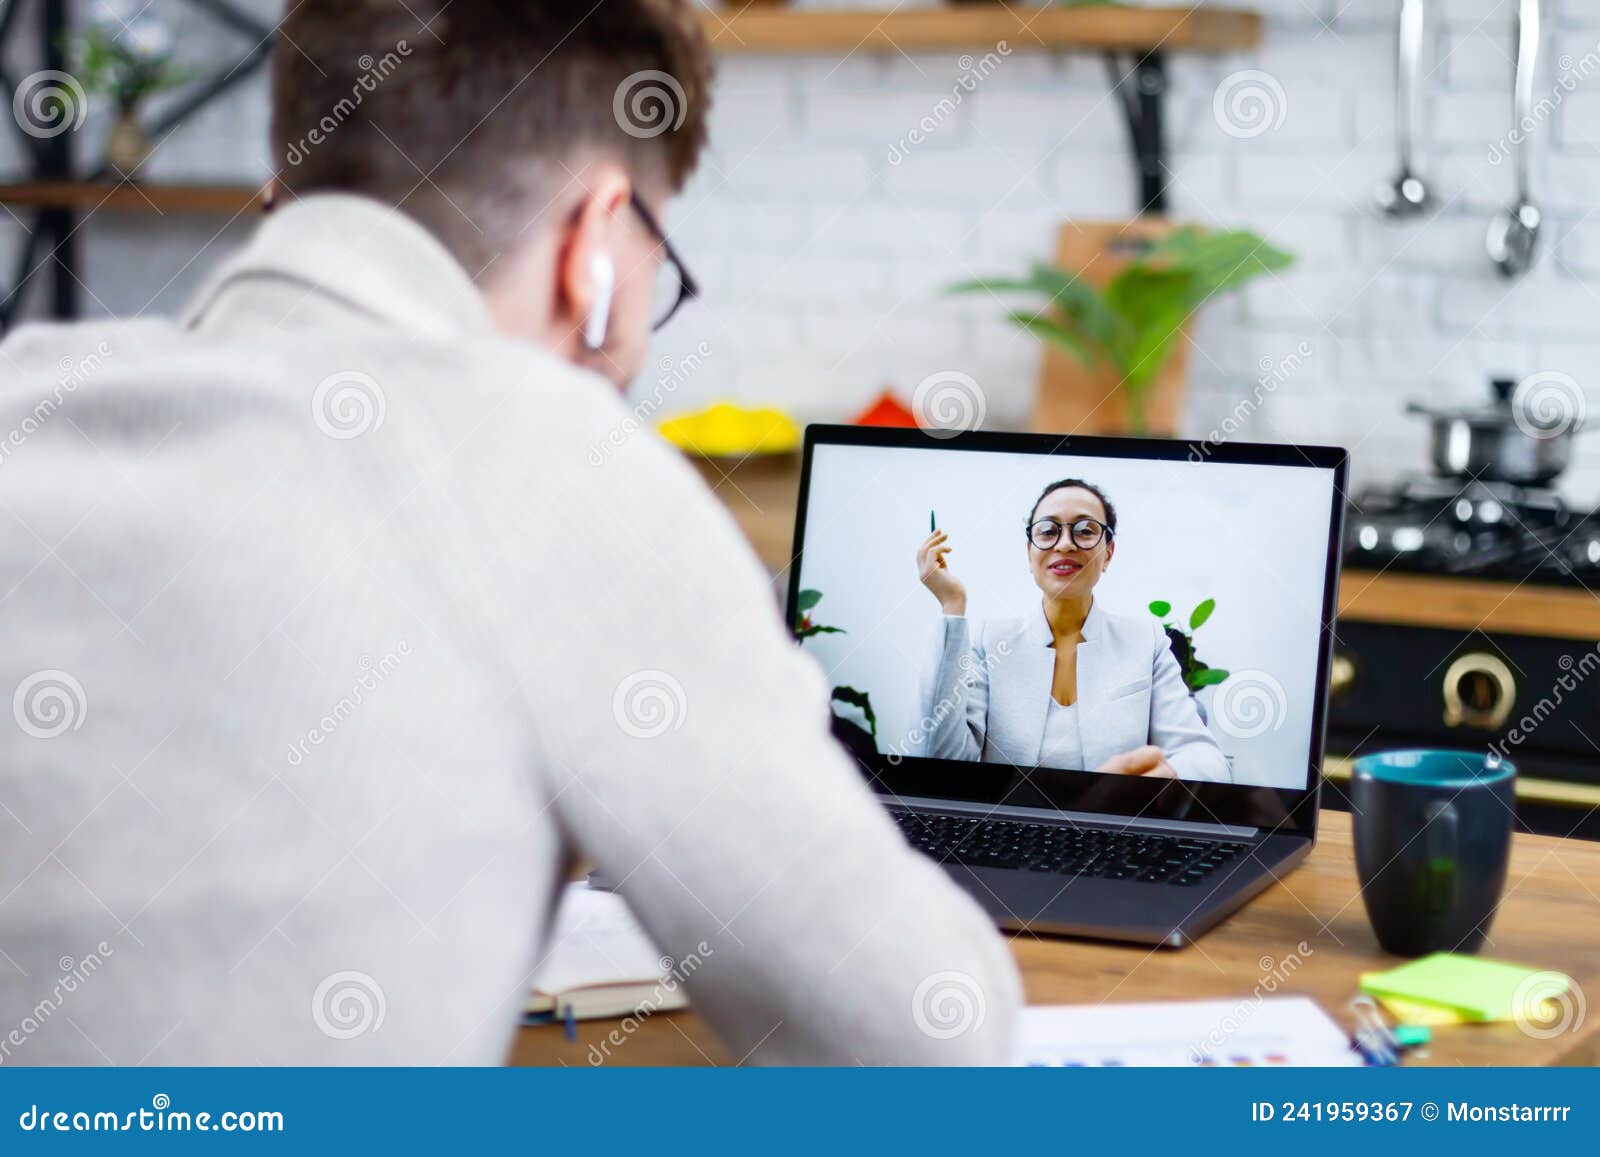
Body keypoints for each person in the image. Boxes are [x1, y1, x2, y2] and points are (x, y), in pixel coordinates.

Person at [0, 0, 1019, 1065]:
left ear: (279, 200)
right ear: (594, 247)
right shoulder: (557, 458)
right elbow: (922, 1038)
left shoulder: (26, 393)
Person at [915, 478, 1230, 784]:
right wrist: (952, 605)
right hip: (1007, 828)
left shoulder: (1145, 641)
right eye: (1049, 531)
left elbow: (1204, 758)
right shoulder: (990, 639)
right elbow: (944, 759)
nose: (1065, 544)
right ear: (1029, 552)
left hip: (1111, 825)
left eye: (1085, 531)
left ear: (1108, 553)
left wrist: (1159, 782)